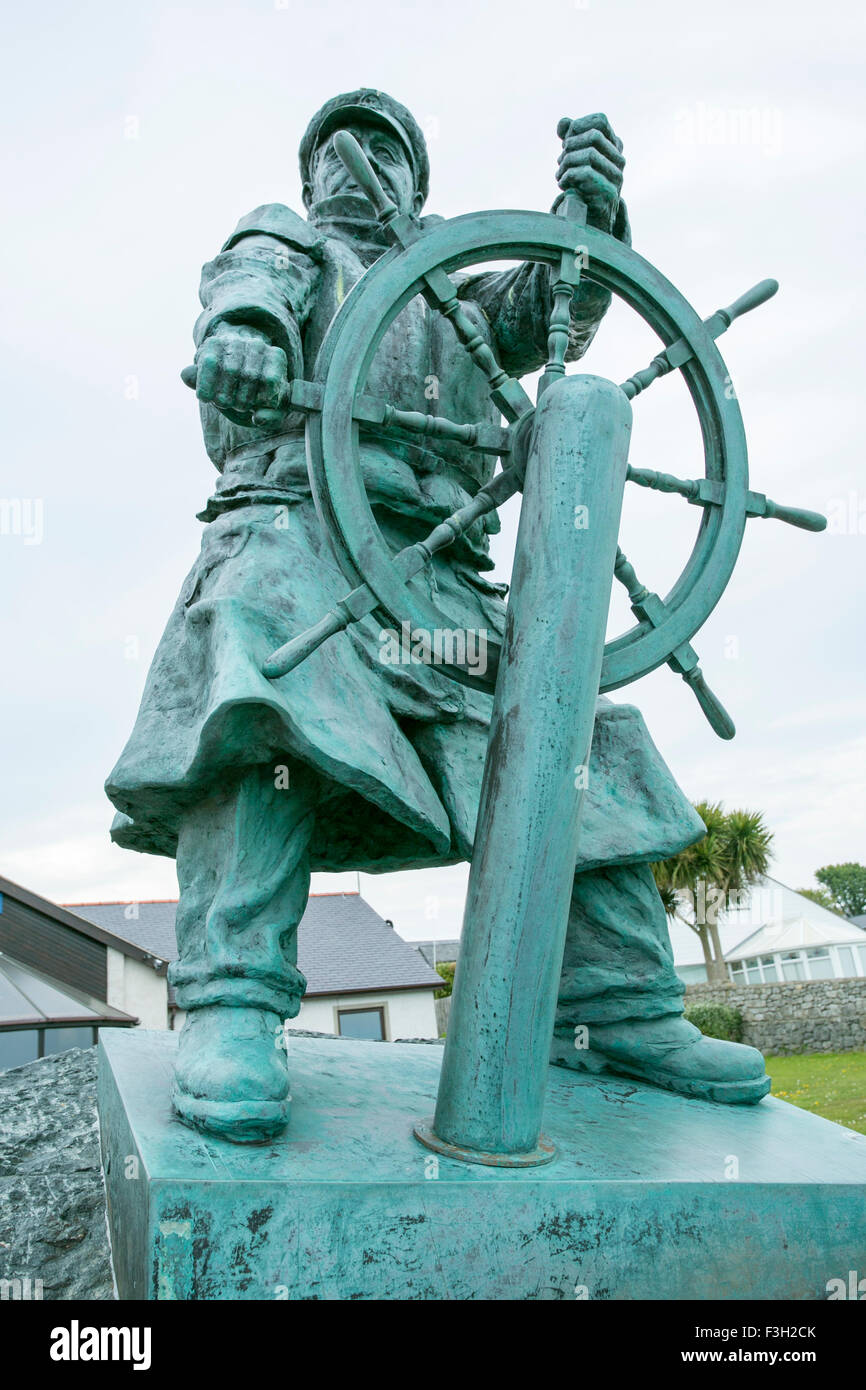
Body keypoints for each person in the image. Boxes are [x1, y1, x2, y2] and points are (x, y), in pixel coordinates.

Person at [106, 89, 769, 1143]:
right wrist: (243, 338)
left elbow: (552, 304)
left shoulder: (452, 294)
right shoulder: (284, 241)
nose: (353, 162)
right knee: (256, 663)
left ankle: (613, 1006)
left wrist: (590, 216)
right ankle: (231, 1001)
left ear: (421, 186)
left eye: (382, 147)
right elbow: (248, 292)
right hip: (297, 537)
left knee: (569, 719)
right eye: (333, 145)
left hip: (437, 591)